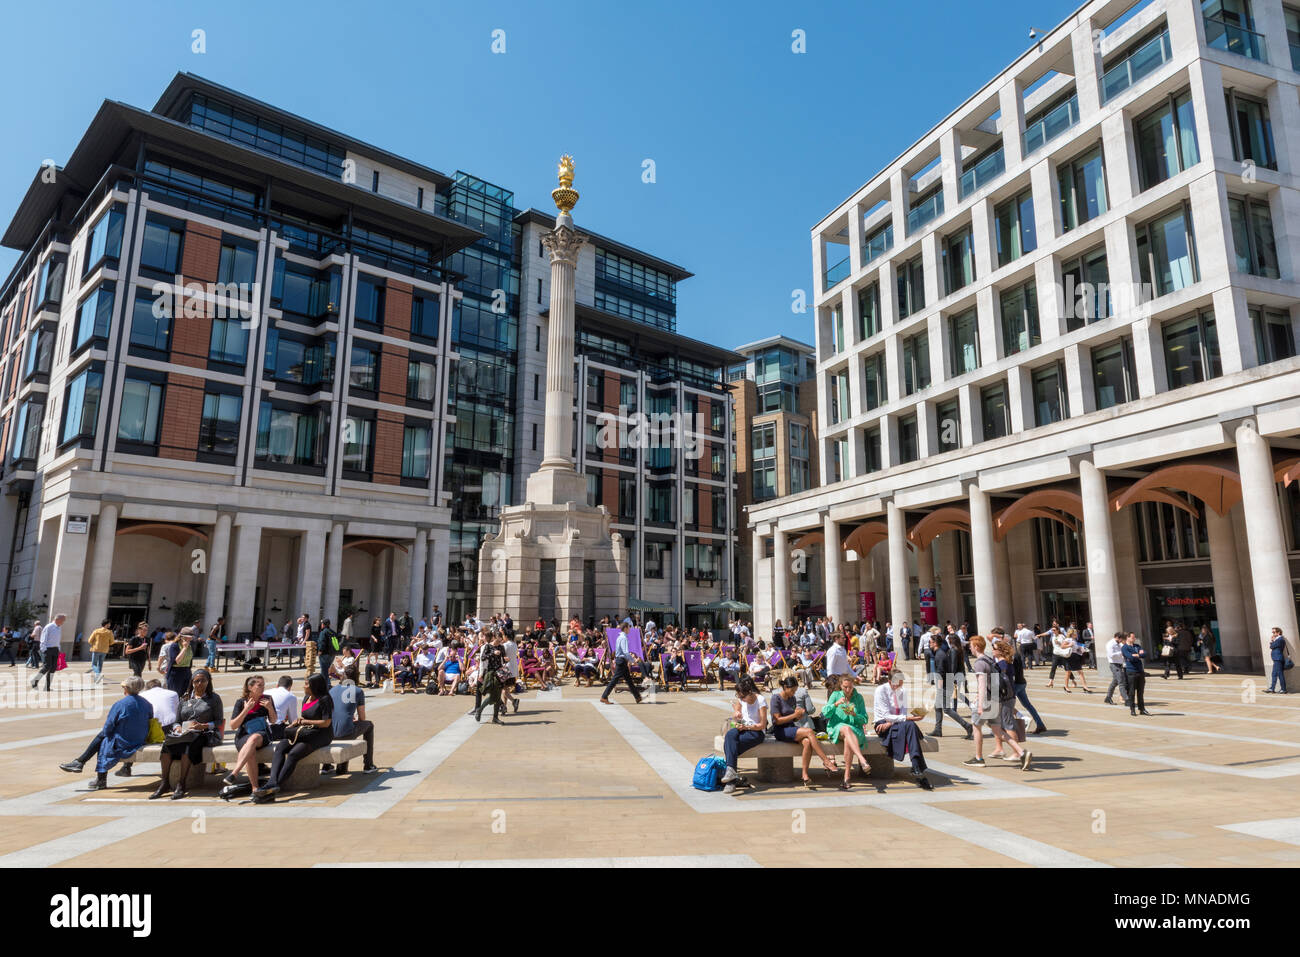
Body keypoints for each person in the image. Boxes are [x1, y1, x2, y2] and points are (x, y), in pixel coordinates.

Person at [58, 676, 153, 789]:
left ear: (127, 688)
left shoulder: (120, 704)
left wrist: (108, 734)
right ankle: (80, 762)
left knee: (104, 741)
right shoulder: (147, 704)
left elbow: (109, 726)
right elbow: (150, 721)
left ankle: (95, 774)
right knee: (104, 737)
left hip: (125, 742)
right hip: (139, 739)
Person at [253, 673, 334, 803]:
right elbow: (303, 717)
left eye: (307, 684)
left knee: (293, 754)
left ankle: (275, 786)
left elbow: (326, 723)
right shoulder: (307, 697)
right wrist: (296, 722)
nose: (304, 686)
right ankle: (272, 781)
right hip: (304, 732)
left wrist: (305, 722)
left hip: (321, 734)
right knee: (281, 747)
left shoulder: (324, 699)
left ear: (315, 685)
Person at [149, 668, 223, 799]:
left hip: (205, 733)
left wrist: (204, 726)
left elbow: (218, 721)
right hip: (184, 733)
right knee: (166, 747)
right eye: (196, 681)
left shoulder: (214, 699)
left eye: (203, 681)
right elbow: (177, 721)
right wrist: (177, 728)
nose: (199, 684)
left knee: (188, 747)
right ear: (192, 682)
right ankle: (164, 782)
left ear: (208, 682)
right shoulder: (185, 697)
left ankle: (181, 784)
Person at [963, 635, 1032, 770]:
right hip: (996, 699)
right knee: (998, 730)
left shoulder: (979, 663)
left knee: (976, 727)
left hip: (987, 700)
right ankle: (1022, 752)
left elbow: (982, 684)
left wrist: (980, 703)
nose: (969, 649)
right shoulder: (989, 659)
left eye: (970, 646)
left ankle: (978, 758)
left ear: (976, 647)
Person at [769, 674, 838, 786]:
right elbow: (777, 721)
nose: (793, 693)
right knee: (809, 731)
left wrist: (798, 716)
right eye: (792, 690)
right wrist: (794, 715)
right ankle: (826, 760)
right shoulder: (776, 698)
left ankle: (805, 775)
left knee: (807, 742)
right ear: (785, 687)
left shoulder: (792, 698)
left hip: (791, 728)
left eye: (795, 690)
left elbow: (793, 716)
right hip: (780, 730)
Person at [873, 670, 933, 789]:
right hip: (882, 724)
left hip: (896, 723)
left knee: (909, 725)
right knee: (910, 725)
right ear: (890, 681)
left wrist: (896, 721)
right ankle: (917, 767)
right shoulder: (881, 690)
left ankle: (916, 766)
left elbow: (902, 713)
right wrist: (904, 719)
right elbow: (886, 715)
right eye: (897, 683)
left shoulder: (902, 691)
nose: (900, 686)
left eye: (901, 683)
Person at [223, 674, 277, 794]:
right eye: (259, 685)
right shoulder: (241, 702)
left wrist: (270, 708)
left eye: (263, 685)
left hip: (262, 735)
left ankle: (235, 772)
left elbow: (273, 721)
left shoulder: (267, 699)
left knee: (254, 738)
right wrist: (246, 709)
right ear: (250, 687)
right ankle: (255, 788)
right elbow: (233, 726)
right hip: (243, 736)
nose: (263, 688)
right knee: (250, 752)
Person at [822, 673, 873, 790]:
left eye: (850, 687)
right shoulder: (835, 695)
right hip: (836, 728)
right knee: (845, 728)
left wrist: (854, 714)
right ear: (840, 685)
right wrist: (836, 704)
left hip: (854, 730)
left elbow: (864, 719)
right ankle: (862, 759)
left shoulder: (858, 698)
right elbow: (825, 713)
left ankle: (847, 777)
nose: (848, 690)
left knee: (847, 735)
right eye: (845, 687)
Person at [324, 666, 378, 774]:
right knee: (369, 725)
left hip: (329, 733)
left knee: (341, 725)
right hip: (345, 732)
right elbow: (362, 718)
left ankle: (326, 766)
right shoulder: (357, 691)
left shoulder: (332, 690)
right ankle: (368, 765)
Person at [719, 676, 767, 793]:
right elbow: (737, 712)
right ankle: (731, 776)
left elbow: (763, 725)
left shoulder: (760, 700)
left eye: (742, 697)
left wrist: (747, 727)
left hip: (756, 731)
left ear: (750, 692)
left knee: (731, 747)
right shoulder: (741, 699)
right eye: (739, 696)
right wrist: (736, 714)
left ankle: (731, 780)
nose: (740, 699)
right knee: (730, 734)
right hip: (742, 727)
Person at [928, 633, 971, 738]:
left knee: (946, 709)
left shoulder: (940, 655)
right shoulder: (940, 653)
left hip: (944, 685)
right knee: (937, 707)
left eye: (930, 642)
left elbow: (941, 671)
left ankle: (967, 726)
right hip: (945, 684)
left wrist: (940, 686)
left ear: (934, 643)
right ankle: (938, 730)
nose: (929, 644)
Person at [599, 623, 643, 705]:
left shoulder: (620, 637)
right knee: (615, 680)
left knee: (628, 680)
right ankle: (604, 696)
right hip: (621, 660)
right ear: (625, 628)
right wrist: (633, 661)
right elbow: (625, 651)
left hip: (621, 660)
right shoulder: (623, 638)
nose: (629, 629)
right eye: (629, 628)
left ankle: (637, 697)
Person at [474, 632, 507, 725]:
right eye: (497, 640)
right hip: (491, 673)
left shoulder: (501, 647)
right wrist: (493, 653)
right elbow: (483, 658)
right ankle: (480, 710)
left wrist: (506, 659)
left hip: (500, 673)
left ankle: (495, 717)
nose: (498, 642)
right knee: (494, 696)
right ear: (494, 638)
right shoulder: (488, 646)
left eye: (500, 640)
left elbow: (503, 659)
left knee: (498, 695)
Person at [30, 613, 65, 692]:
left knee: (53, 668)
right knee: (47, 666)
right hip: (48, 649)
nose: (63, 622)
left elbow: (57, 639)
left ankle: (47, 687)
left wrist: (58, 648)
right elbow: (43, 638)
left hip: (55, 649)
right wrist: (44, 649)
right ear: (57, 619)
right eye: (63, 620)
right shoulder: (49, 627)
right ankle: (35, 681)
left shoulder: (59, 628)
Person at [1122, 632, 1150, 714]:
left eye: (1134, 637)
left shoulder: (1137, 646)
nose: (1134, 639)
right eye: (1132, 637)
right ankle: (1132, 709)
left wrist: (1136, 655)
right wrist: (1138, 655)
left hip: (1140, 671)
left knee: (1140, 692)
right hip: (1131, 671)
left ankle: (1142, 709)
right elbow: (1130, 657)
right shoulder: (1125, 647)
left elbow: (1145, 654)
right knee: (1131, 691)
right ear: (1127, 638)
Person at [1103, 632, 1131, 708]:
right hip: (1114, 665)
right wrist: (1121, 652)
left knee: (1115, 682)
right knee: (1121, 682)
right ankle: (1127, 700)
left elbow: (1124, 647)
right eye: (1121, 639)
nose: (1121, 641)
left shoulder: (1118, 643)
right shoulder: (1110, 644)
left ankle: (1108, 697)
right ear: (1117, 637)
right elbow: (1111, 655)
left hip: (1119, 664)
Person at [163, 630, 194, 696]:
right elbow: (176, 661)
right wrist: (184, 648)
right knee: (175, 695)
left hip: (187, 672)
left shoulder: (190, 646)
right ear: (182, 637)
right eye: (189, 637)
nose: (191, 638)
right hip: (176, 673)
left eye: (191, 637)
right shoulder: (175, 645)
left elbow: (190, 660)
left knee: (185, 695)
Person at [87, 618, 114, 684]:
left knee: (94, 664)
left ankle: (98, 674)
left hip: (96, 649)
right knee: (100, 664)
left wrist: (94, 643)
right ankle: (97, 679)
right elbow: (112, 642)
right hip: (104, 650)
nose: (110, 625)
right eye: (109, 624)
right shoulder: (109, 632)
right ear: (107, 624)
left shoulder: (96, 631)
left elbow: (89, 640)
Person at [1266, 626, 1289, 694]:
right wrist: (1273, 641)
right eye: (1272, 632)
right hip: (1276, 659)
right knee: (1274, 674)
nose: (1272, 633)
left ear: (1278, 632)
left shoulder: (1280, 639)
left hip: (1278, 659)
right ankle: (1272, 688)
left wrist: (1272, 640)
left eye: (1274, 632)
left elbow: (1272, 646)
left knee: (1280, 674)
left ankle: (1283, 689)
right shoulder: (1278, 639)